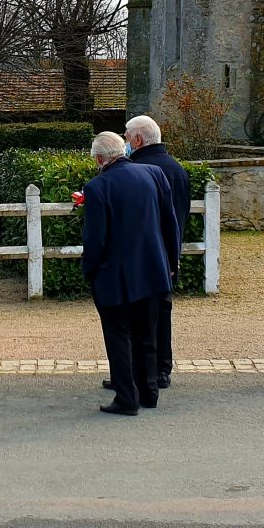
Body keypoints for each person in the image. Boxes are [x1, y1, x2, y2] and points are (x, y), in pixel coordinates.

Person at [80, 131, 178, 416]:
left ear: (100, 158)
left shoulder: (98, 187)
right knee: (147, 334)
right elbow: (169, 222)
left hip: (115, 274)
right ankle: (149, 391)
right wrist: (172, 261)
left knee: (118, 335)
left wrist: (89, 269)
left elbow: (95, 239)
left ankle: (126, 396)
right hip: (153, 267)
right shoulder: (154, 174)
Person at [108, 114, 191, 393]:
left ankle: (136, 373)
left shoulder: (137, 170)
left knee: (133, 318)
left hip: (139, 256)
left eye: (127, 136)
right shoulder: (176, 168)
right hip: (166, 254)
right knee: (161, 315)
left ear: (138, 140)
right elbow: (177, 217)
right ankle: (161, 370)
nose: (125, 141)